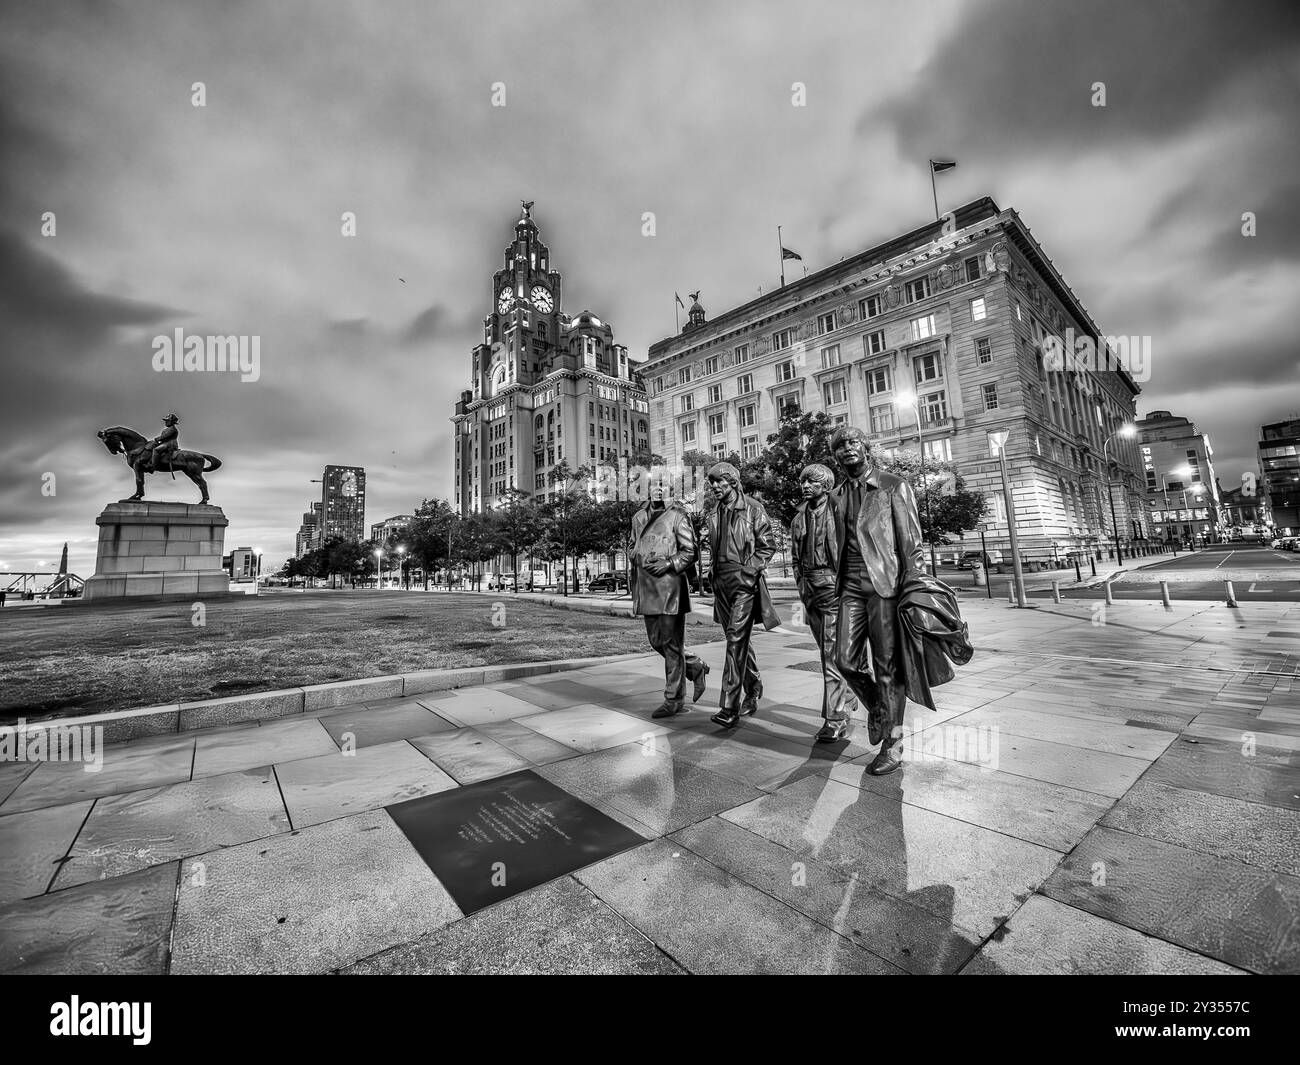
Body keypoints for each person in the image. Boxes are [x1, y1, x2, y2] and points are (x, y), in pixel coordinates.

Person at [829, 426, 925, 775]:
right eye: (840, 447)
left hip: (885, 585)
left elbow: (911, 541)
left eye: (853, 443)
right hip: (851, 586)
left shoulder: (891, 484)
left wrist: (913, 587)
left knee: (888, 668)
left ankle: (894, 742)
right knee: (845, 659)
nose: (847, 449)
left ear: (865, 448)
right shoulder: (837, 494)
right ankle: (879, 710)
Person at [703, 462, 780, 728]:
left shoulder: (753, 508)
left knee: (735, 639)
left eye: (718, 481)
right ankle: (754, 684)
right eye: (711, 482)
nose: (714, 487)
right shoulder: (713, 512)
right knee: (735, 639)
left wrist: (750, 572)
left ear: (732, 482)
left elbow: (768, 545)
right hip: (721, 583)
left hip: (743, 582)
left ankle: (728, 706)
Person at [791, 462, 858, 742]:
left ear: (826, 485)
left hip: (833, 587)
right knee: (829, 650)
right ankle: (851, 692)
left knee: (829, 654)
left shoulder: (840, 510)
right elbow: (796, 558)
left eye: (811, 482)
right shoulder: (798, 518)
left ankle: (835, 718)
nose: (805, 486)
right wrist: (801, 586)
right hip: (810, 589)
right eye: (803, 481)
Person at [630, 479, 708, 718]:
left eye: (663, 486)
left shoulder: (678, 515)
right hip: (647, 585)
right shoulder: (638, 518)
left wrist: (668, 563)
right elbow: (633, 546)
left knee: (672, 644)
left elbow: (690, 551)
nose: (658, 490)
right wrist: (637, 556)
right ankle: (694, 666)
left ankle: (673, 699)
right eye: (653, 486)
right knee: (656, 641)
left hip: (669, 586)